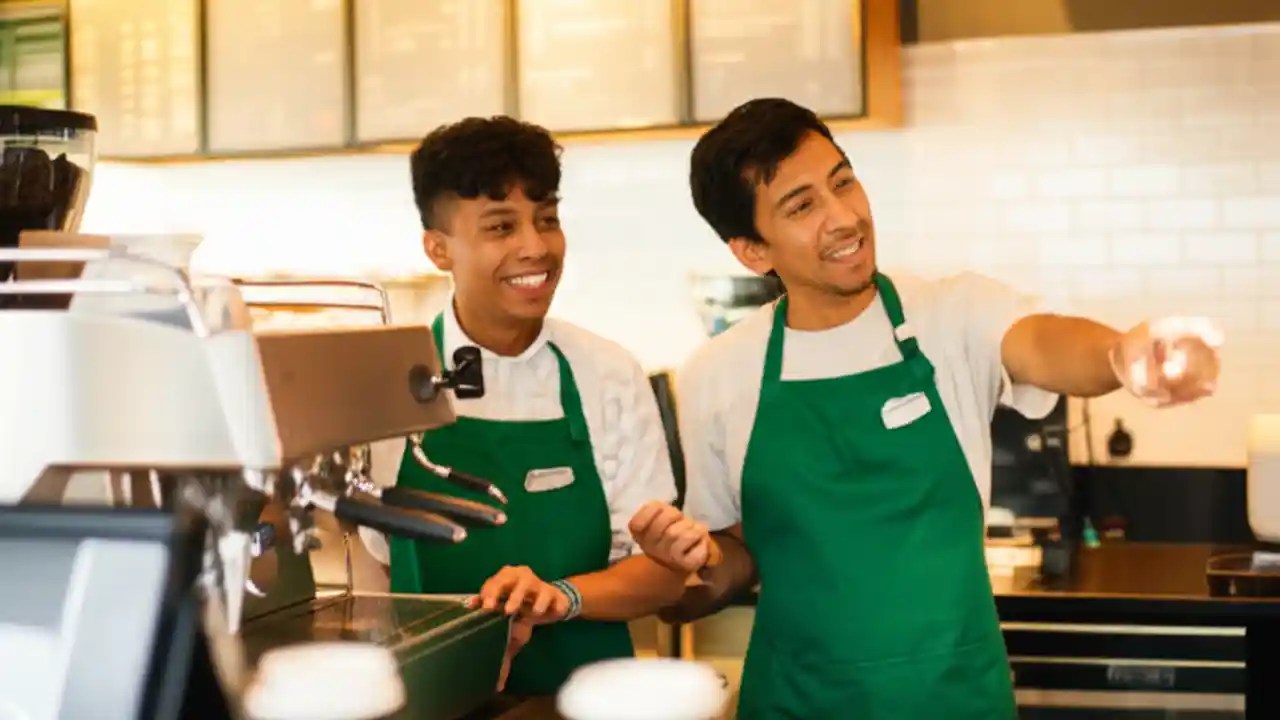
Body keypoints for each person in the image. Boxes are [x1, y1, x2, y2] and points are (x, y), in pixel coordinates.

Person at [630, 98, 1221, 720]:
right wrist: (689, 568)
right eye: (803, 206)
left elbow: (1044, 342)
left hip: (956, 698)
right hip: (798, 704)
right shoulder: (719, 374)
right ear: (752, 250)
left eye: (843, 181)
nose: (844, 217)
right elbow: (730, 558)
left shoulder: (949, 315)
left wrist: (1122, 353)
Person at [363, 115, 698, 697]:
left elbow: (662, 576)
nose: (536, 247)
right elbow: (372, 575)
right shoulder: (392, 382)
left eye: (547, 220)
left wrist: (560, 598)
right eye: (501, 226)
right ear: (438, 249)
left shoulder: (609, 374)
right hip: (431, 697)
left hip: (586, 697)